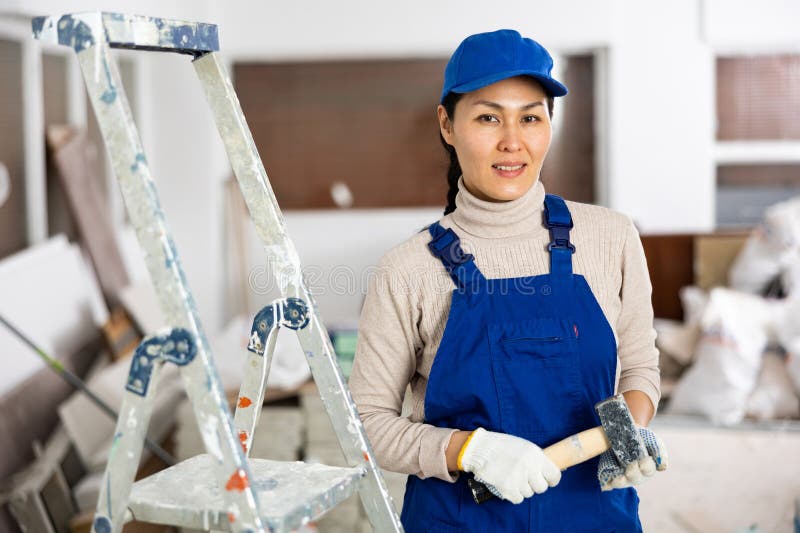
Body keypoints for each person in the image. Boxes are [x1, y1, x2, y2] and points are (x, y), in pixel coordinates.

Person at [349, 29, 667, 532]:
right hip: (459, 520)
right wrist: (468, 450)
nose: (512, 141)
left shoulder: (611, 237)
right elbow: (367, 426)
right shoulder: (407, 269)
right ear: (447, 125)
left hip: (594, 517)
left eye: (531, 117)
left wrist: (630, 424)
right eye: (488, 117)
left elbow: (640, 367)